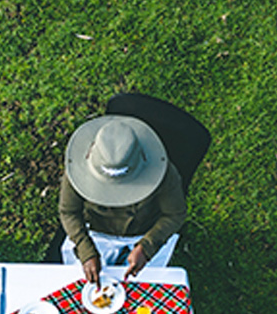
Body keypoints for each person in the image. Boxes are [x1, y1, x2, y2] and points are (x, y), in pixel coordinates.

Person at [58, 115, 187, 284]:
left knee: (142, 287)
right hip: (97, 231)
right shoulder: (77, 171)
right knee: (80, 282)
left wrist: (147, 247)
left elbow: (175, 214)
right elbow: (68, 212)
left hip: (145, 230)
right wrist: (85, 250)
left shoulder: (165, 173)